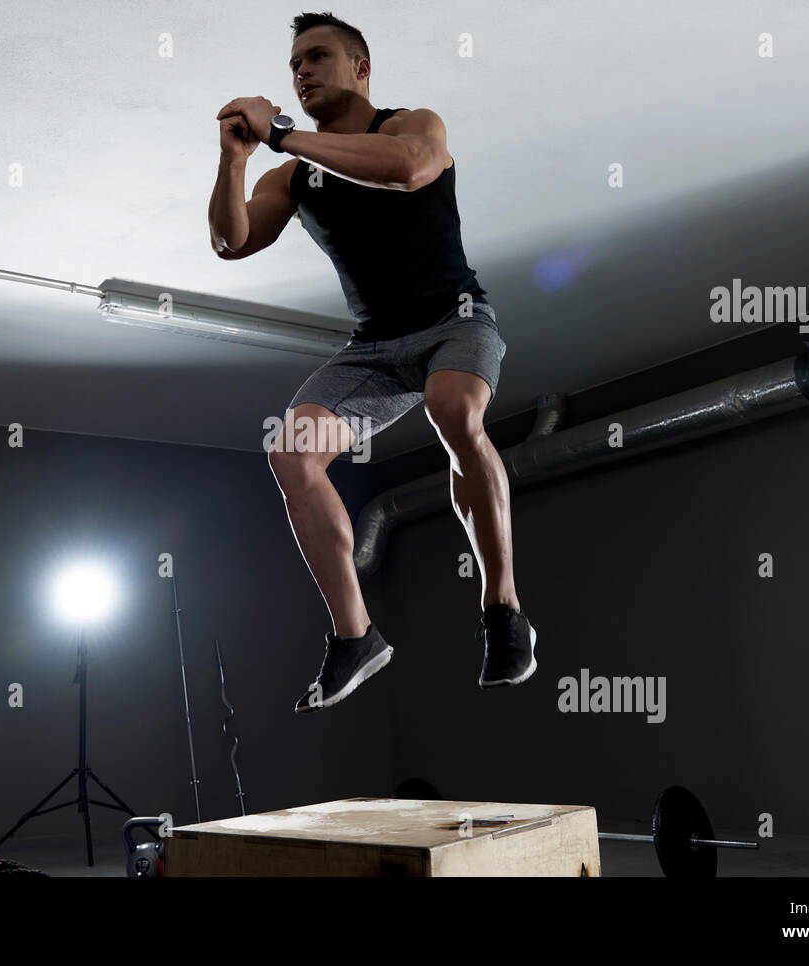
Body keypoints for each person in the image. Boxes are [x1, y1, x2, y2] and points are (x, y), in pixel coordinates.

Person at [207, 12, 534, 713]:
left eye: (318, 56)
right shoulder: (293, 177)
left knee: (454, 409)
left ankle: (503, 608)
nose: (302, 70)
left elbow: (410, 171)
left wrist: (283, 133)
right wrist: (237, 157)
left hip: (456, 321)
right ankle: (355, 637)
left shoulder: (409, 124)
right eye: (294, 62)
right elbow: (232, 244)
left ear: (361, 68)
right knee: (291, 452)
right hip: (373, 347)